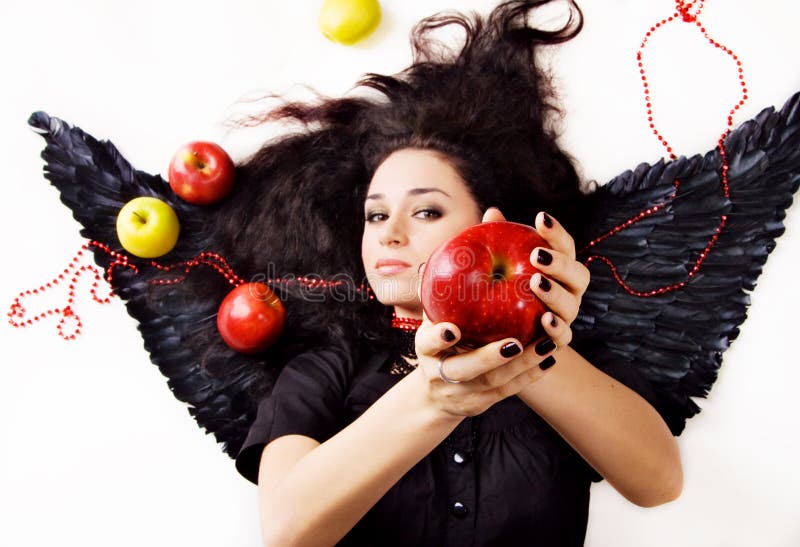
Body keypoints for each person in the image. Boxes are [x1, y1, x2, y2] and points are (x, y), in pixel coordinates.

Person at [230, 2, 681, 544]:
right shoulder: (324, 373)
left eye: (426, 211)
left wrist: (534, 356)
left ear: (488, 227)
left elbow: (658, 483)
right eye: (375, 215)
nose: (389, 233)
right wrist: (432, 397)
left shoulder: (561, 354)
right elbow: (287, 532)